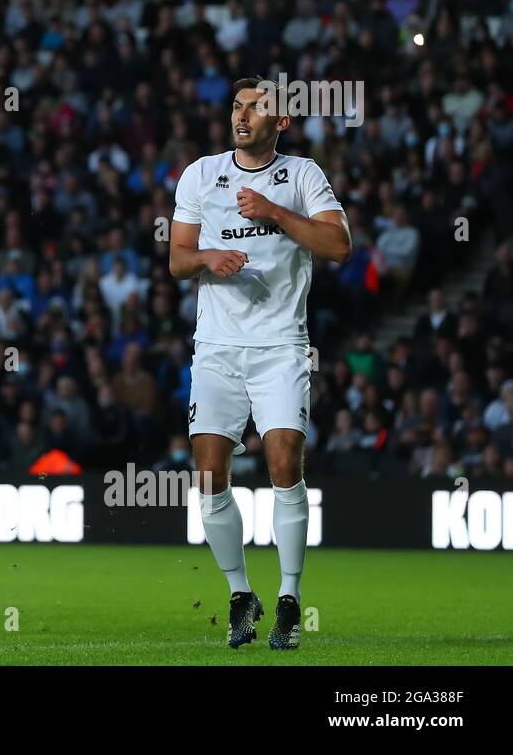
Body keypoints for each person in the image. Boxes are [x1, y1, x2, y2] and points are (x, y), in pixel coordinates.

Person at [169, 76, 351, 651]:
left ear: (282, 122)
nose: (243, 116)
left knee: (282, 462)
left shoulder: (301, 176)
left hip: (280, 346)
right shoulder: (201, 173)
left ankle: (291, 597)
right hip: (217, 347)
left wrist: (273, 212)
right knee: (208, 473)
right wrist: (207, 258)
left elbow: (339, 245)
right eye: (237, 107)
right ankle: (240, 594)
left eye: (256, 108)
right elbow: (177, 260)